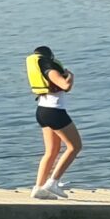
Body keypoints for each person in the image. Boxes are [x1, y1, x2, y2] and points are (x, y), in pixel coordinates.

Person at [26, 44, 80, 198]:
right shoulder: (48, 67)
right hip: (54, 111)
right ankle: (53, 182)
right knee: (75, 146)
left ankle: (38, 188)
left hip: (42, 110)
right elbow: (66, 85)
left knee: (52, 151)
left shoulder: (38, 66)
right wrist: (71, 76)